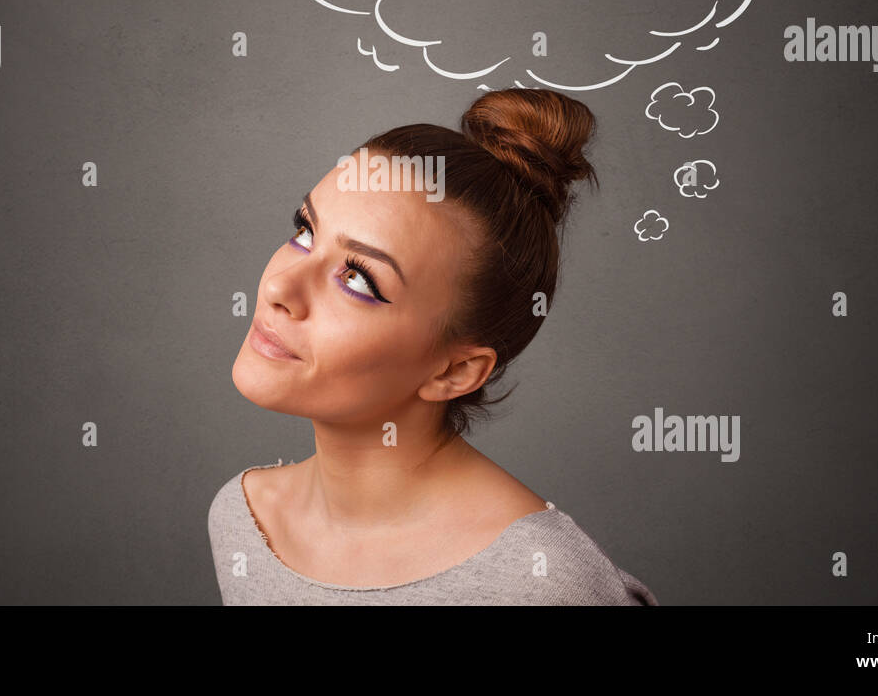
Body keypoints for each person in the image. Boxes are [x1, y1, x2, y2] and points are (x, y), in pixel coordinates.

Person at [208, 88, 658, 604]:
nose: (276, 289)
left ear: (457, 370)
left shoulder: (545, 585)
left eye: (358, 280)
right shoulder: (240, 521)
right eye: (305, 232)